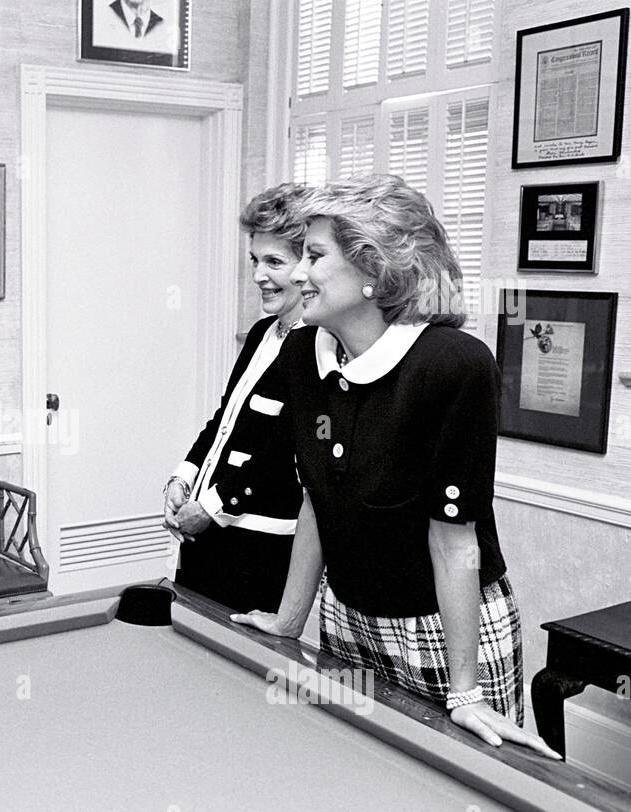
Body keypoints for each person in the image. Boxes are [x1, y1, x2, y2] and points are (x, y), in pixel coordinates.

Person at [232, 175, 557, 758]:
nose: (296, 274)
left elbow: (455, 542)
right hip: (346, 618)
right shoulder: (301, 354)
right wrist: (288, 621)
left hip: (443, 629)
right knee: (353, 770)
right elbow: (317, 500)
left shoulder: (454, 364)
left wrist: (465, 693)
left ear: (374, 272)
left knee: (463, 792)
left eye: (313, 255)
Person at [163, 184, 309, 613]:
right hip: (207, 527)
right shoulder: (264, 332)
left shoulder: (318, 346)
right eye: (255, 260)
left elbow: (283, 448)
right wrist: (183, 478)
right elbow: (224, 419)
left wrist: (208, 507)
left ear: (309, 267)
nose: (259, 275)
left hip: (259, 545)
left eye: (274, 262)